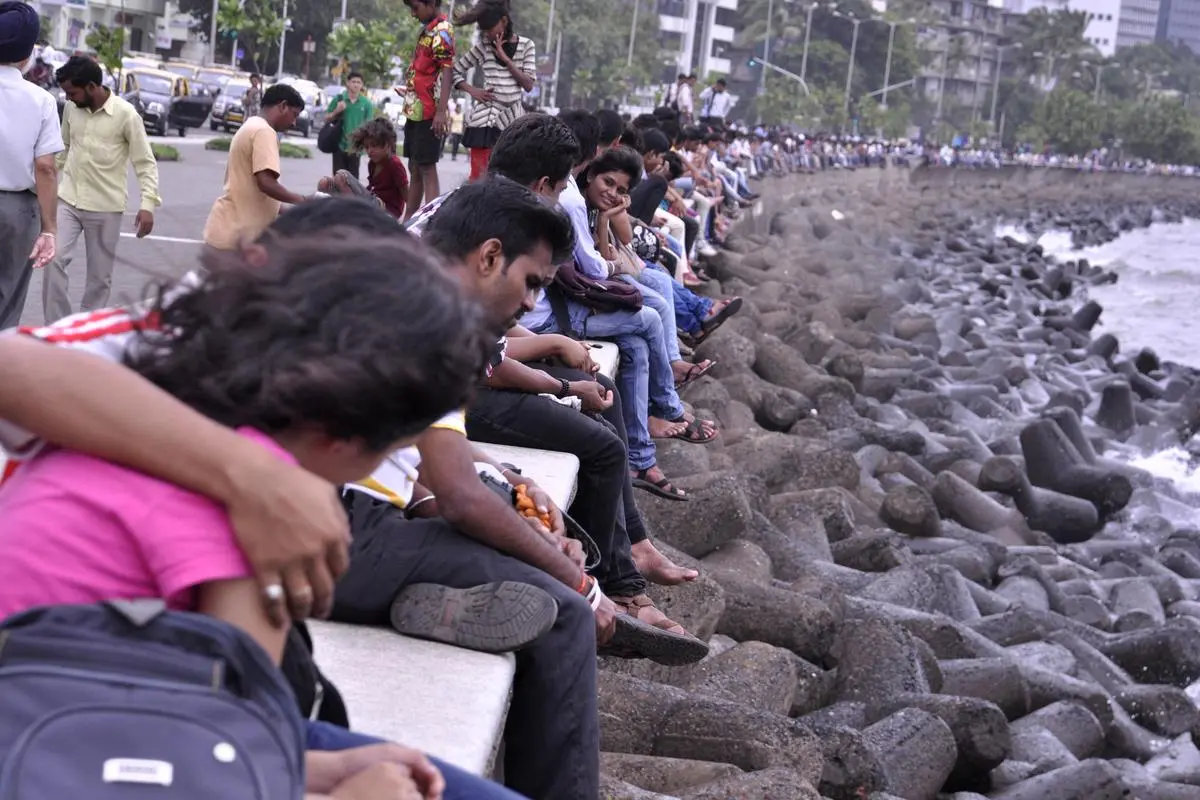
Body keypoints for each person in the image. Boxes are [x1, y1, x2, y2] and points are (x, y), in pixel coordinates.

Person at [0, 232, 512, 800]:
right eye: (392, 454)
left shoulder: (133, 413)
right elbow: (217, 777)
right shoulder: (270, 515)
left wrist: (317, 770)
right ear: (341, 439)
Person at [42, 55, 159, 324]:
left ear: (92, 86)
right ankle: (58, 328)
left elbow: (145, 162)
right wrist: (44, 179)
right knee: (53, 259)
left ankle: (86, 328)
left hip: (106, 207)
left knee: (99, 278)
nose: (68, 98)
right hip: (69, 200)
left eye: (72, 92)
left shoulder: (126, 115)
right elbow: (64, 148)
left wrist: (148, 204)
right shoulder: (72, 109)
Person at [0, 1, 60, 329]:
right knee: (7, 298)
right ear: (27, 55)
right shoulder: (42, 101)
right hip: (17, 212)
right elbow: (46, 168)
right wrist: (49, 229)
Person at [203, 83, 308, 250]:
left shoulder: (252, 125)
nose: (294, 123)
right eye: (294, 115)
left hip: (228, 232)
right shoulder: (264, 132)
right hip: (236, 238)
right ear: (282, 106)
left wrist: (287, 213)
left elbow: (254, 188)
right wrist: (303, 202)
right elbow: (266, 183)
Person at [451, 0, 535, 181]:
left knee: (509, 179)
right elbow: (454, 71)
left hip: (513, 122)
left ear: (504, 21)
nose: (488, 34)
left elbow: (528, 85)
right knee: (478, 178)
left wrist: (506, 60)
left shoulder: (527, 45)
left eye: (490, 28)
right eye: (484, 30)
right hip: (484, 122)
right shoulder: (482, 47)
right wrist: (472, 90)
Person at [398, 0, 455, 218]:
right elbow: (426, 73)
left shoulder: (442, 30)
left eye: (415, 7)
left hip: (430, 112)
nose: (413, 13)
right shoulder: (428, 30)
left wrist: (441, 112)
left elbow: (447, 72)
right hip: (415, 108)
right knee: (415, 167)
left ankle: (432, 221)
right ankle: (410, 219)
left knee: (427, 168)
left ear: (430, 3)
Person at [350, 117, 409, 219]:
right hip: (374, 200)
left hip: (389, 210)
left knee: (342, 176)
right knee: (327, 183)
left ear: (387, 145)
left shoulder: (395, 165)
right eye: (367, 147)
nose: (369, 151)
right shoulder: (372, 163)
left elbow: (407, 195)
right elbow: (373, 187)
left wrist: (408, 220)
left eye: (374, 146)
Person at [325, 71, 374, 180]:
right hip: (339, 145)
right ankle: (338, 198)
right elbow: (326, 118)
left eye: (359, 82)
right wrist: (336, 111)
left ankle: (350, 198)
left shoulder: (366, 104)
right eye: (353, 82)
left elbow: (370, 126)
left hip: (356, 148)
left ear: (362, 85)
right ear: (347, 83)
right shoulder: (339, 99)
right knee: (338, 179)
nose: (356, 85)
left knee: (353, 181)